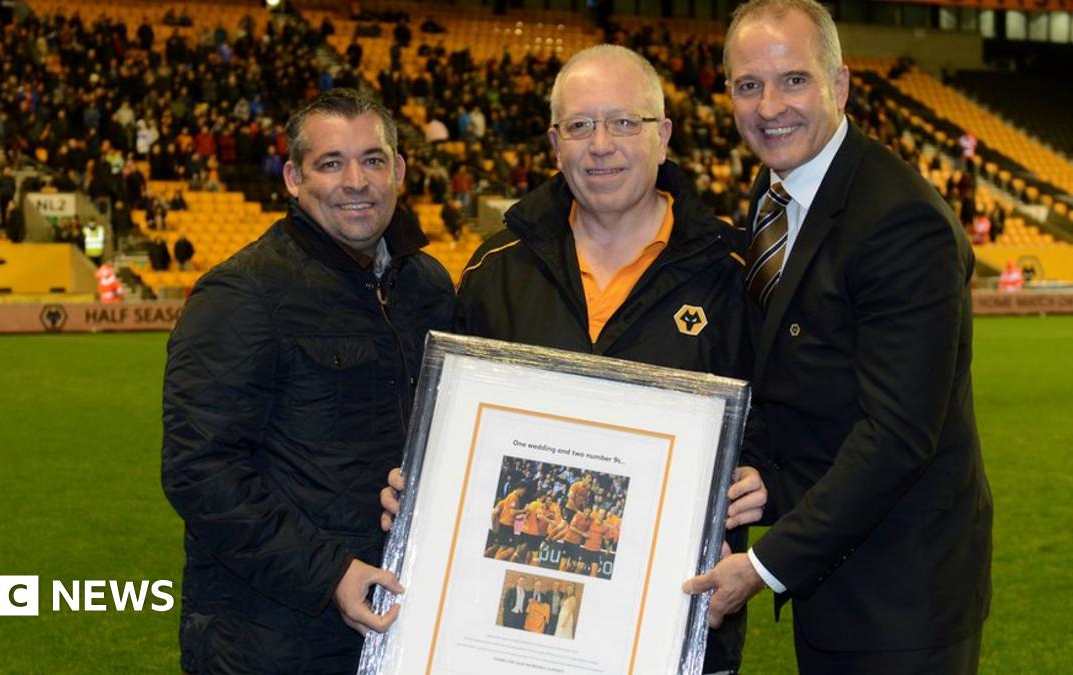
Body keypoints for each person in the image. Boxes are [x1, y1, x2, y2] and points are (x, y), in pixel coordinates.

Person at [382, 45, 764, 674]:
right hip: (506, 629)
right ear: (555, 145)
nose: (601, 144)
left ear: (663, 136)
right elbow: (457, 431)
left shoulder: (733, 276)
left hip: (671, 625)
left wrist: (762, 483)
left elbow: (778, 425)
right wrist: (424, 488)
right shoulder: (495, 269)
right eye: (580, 125)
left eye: (624, 122)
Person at [683, 2, 992, 673]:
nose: (769, 107)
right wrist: (768, 477)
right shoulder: (776, 198)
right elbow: (804, 379)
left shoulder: (899, 220)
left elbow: (900, 436)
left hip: (903, 595)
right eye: (748, 85)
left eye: (793, 80)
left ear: (840, 85)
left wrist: (764, 564)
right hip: (837, 580)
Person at [162, 89, 455, 674]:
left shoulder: (428, 285)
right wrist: (328, 574)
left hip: (403, 615)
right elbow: (199, 468)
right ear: (294, 178)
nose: (356, 181)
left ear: (398, 170)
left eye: (373, 160)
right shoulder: (243, 293)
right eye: (331, 163)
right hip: (271, 636)